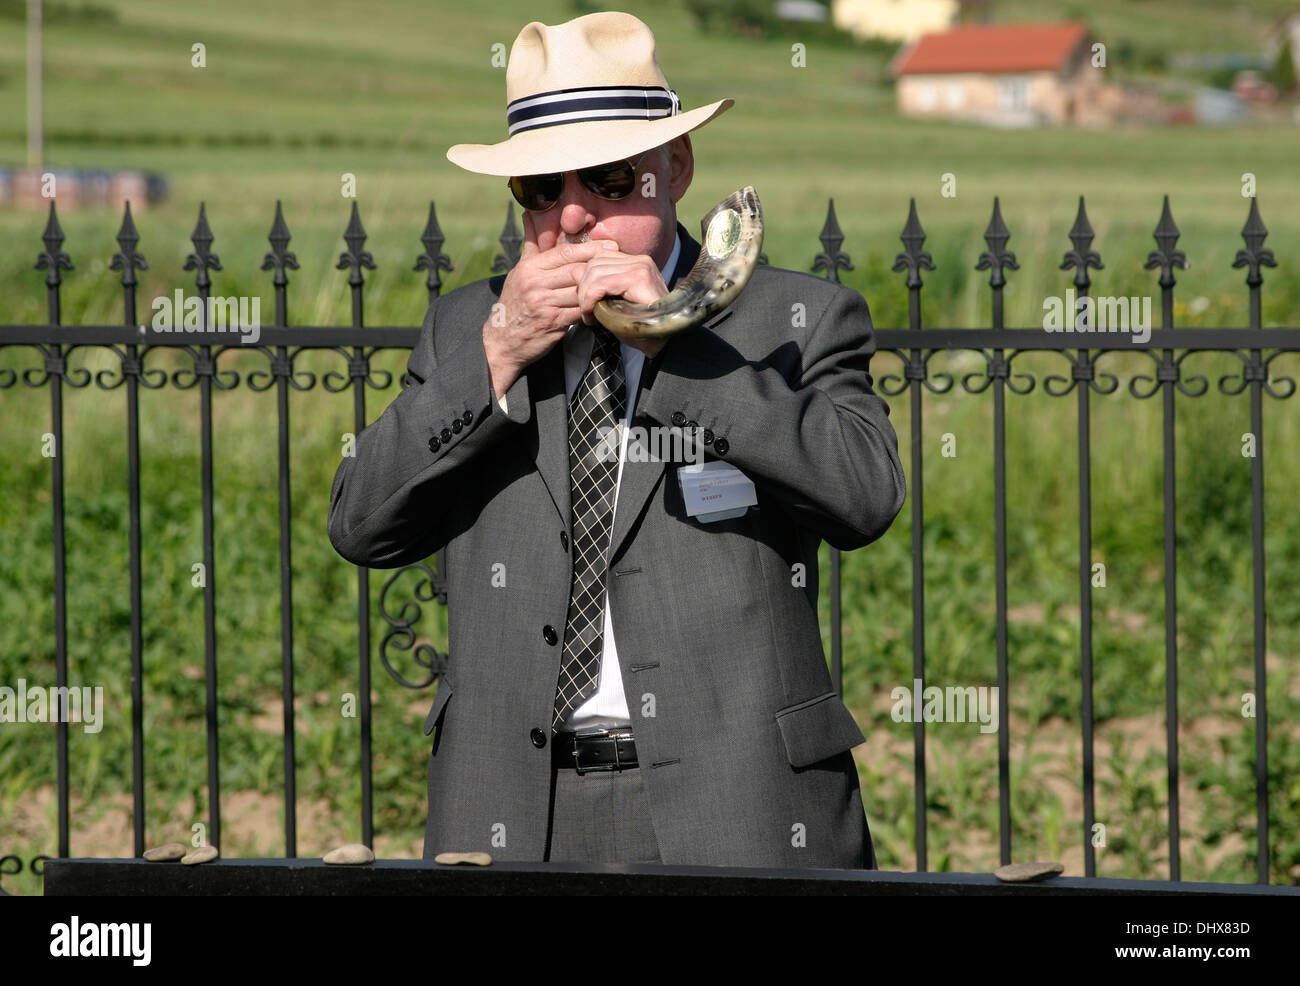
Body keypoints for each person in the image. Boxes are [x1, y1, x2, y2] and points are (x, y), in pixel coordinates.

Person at [327, 11, 906, 869]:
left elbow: (865, 495)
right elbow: (362, 525)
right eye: (538, 190)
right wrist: (495, 356)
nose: (569, 218)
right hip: (516, 812)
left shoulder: (792, 318)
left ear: (673, 170)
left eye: (604, 179)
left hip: (740, 809)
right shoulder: (467, 327)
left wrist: (679, 345)